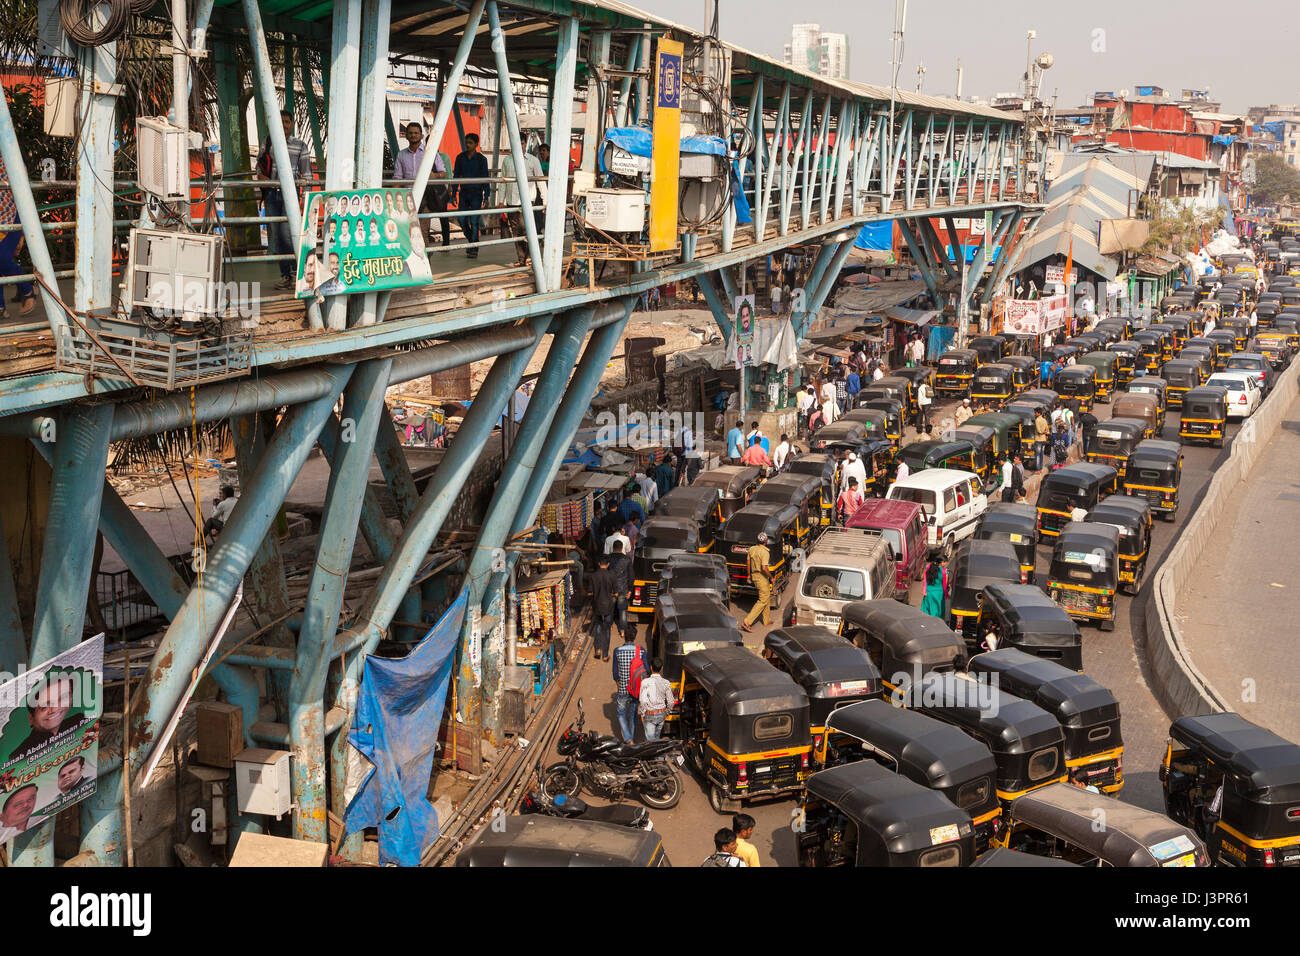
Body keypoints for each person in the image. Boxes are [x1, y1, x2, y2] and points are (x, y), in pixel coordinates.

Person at [256, 109, 314, 290]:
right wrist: (262, 178)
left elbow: (308, 174)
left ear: (292, 124)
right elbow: (259, 166)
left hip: (292, 194)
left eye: (287, 121)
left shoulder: (300, 145)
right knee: (278, 236)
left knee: (287, 235)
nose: (284, 125)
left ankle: (298, 273)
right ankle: (285, 276)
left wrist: (307, 197)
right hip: (272, 193)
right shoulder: (268, 142)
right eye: (280, 121)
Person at [393, 122, 451, 246]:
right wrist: (392, 198)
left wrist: (434, 176)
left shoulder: (430, 152)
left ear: (421, 135)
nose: (413, 135)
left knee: (422, 232)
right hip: (407, 199)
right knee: (407, 232)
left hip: (426, 198)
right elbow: (398, 178)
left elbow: (443, 173)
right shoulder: (401, 155)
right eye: (410, 133)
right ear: (406, 136)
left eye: (416, 133)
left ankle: (425, 262)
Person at [0, 155, 35, 315]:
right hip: (6, 212)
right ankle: (1, 307)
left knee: (2, 259)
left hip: (11, 213)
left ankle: (27, 290)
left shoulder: (9, 158)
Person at [500, 147, 545, 266]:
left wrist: (545, 199)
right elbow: (503, 181)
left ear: (525, 144)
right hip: (512, 200)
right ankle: (521, 258)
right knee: (516, 232)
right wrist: (501, 201)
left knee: (526, 229)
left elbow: (540, 179)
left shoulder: (533, 160)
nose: (519, 146)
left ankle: (529, 256)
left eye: (522, 143)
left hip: (528, 200)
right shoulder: (507, 160)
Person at [452, 133, 489, 256]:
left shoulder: (481, 159)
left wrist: (486, 196)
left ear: (476, 144)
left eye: (470, 143)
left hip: (476, 194)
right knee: (461, 219)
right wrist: (453, 195)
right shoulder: (460, 158)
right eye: (466, 142)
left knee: (474, 221)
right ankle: (472, 242)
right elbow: (456, 176)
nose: (467, 145)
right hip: (463, 194)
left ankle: (474, 248)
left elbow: (485, 178)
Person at [611, 630, 643, 743]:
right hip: (636, 688)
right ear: (635, 636)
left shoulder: (617, 651)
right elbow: (647, 670)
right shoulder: (641, 651)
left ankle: (628, 738)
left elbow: (615, 672)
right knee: (633, 713)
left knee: (621, 713)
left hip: (623, 688)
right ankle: (631, 737)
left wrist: (618, 682)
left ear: (624, 637)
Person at [740, 532, 773, 632]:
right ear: (766, 541)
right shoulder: (765, 552)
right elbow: (764, 567)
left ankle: (766, 620)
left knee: (766, 596)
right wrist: (771, 577)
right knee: (763, 600)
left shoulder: (752, 549)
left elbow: (748, 562)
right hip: (761, 577)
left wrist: (749, 575)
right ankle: (747, 622)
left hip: (754, 576)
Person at [638, 659, 675, 741]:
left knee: (651, 743)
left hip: (650, 714)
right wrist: (667, 712)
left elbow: (643, 700)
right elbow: (671, 701)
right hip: (662, 713)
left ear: (651, 668)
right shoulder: (666, 682)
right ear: (661, 668)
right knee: (657, 738)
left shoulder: (645, 682)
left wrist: (643, 713)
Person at [589, 554, 616, 660]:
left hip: (597, 605)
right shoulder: (612, 576)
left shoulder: (593, 576)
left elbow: (590, 591)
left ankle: (598, 650)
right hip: (608, 606)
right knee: (607, 629)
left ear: (599, 564)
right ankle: (605, 655)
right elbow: (616, 592)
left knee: (598, 626)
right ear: (608, 564)